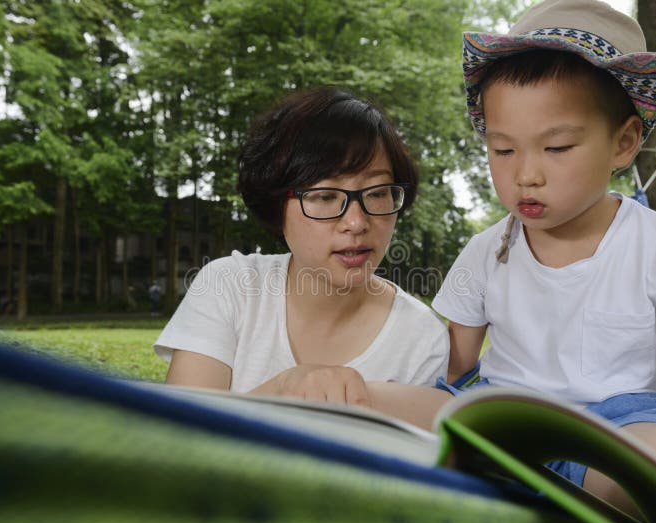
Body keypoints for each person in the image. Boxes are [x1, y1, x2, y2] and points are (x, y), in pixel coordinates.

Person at [430, 0, 656, 513]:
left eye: (557, 148)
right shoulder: (487, 249)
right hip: (502, 431)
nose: (526, 174)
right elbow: (448, 368)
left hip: (620, 437)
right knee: (363, 402)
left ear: (623, 143)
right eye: (503, 150)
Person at [153, 87, 448, 402]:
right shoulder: (229, 286)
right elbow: (181, 440)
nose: (356, 223)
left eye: (377, 193)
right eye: (324, 196)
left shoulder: (422, 337)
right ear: (277, 205)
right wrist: (282, 389)